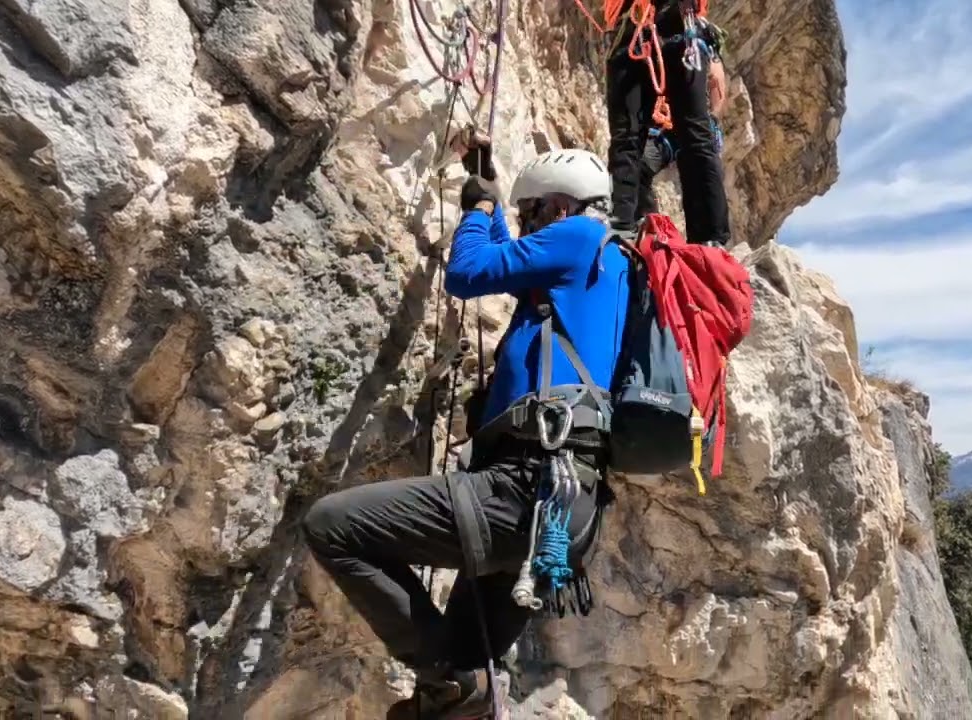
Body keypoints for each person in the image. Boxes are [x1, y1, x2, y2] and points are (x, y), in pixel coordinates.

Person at [302, 139, 630, 719]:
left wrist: (477, 215)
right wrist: (496, 199)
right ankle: (452, 685)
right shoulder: (602, 266)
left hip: (523, 486)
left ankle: (451, 678)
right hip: (562, 509)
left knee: (334, 526)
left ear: (558, 206)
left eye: (531, 216)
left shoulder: (578, 235)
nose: (526, 228)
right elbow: (516, 267)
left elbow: (470, 272)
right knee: (450, 700)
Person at [605, 0, 731, 246]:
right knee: (629, 140)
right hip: (636, 26)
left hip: (674, 24)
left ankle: (709, 238)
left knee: (691, 138)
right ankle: (623, 226)